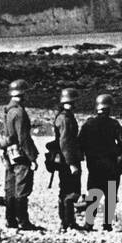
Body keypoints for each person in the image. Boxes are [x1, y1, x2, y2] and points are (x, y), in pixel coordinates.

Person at [78, 93, 122, 232]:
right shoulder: (114, 124)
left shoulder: (88, 124)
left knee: (93, 194)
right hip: (111, 166)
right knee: (111, 196)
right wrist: (115, 152)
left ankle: (89, 223)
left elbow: (80, 143)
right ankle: (107, 225)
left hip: (94, 166)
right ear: (109, 108)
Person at [1, 79, 44, 232]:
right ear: (23, 93)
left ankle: (11, 220)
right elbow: (24, 138)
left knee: (10, 187)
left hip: (10, 153)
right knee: (22, 187)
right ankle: (23, 222)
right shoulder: (19, 112)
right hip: (20, 154)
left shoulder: (8, 110)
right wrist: (32, 157)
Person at [51, 88, 86, 232]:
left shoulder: (63, 116)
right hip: (68, 160)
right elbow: (65, 143)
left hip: (63, 159)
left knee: (65, 190)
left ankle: (66, 222)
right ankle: (67, 222)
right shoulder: (66, 119)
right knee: (71, 191)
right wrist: (72, 163)